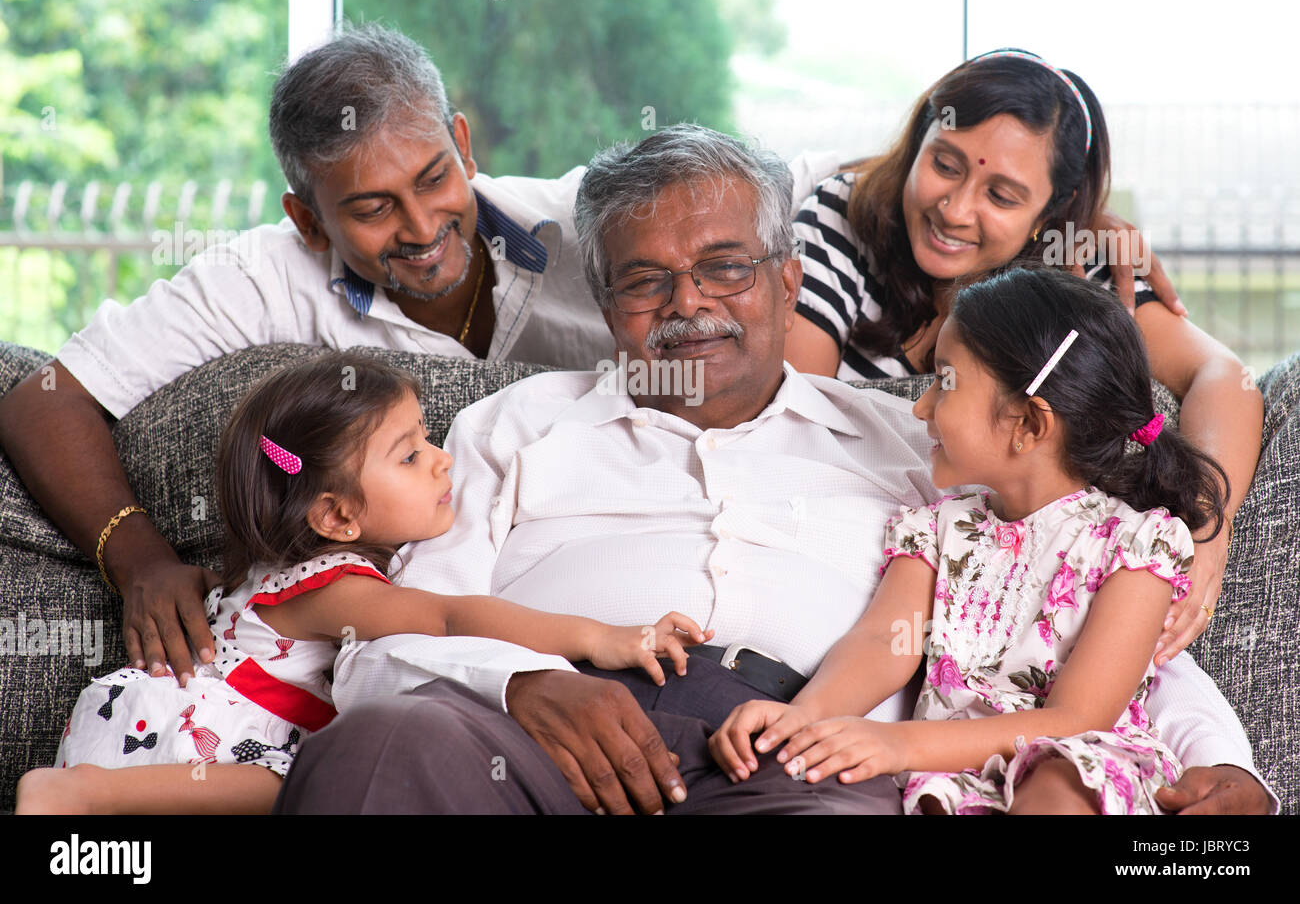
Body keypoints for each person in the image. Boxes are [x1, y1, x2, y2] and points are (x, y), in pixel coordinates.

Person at [272, 125, 1274, 815]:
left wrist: (1223, 766)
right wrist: (521, 682)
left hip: (797, 759)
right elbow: (373, 642)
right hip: (529, 740)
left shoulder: (913, 446)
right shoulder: (510, 427)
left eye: (724, 267)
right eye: (644, 280)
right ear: (607, 301)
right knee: (378, 749)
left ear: (788, 280)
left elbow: (1080, 615)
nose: (688, 304)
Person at [0, 22, 837, 686]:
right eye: (372, 208)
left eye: (436, 178)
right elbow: (39, 392)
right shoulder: (258, 275)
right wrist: (138, 558)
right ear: (309, 219)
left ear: (464, 145)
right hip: (430, 614)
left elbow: (808, 182)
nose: (422, 226)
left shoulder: (593, 226)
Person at [14, 353, 709, 814]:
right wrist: (605, 635)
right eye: (410, 455)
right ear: (338, 515)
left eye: (429, 439)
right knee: (291, 784)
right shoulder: (335, 587)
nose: (444, 464)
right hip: (187, 747)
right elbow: (448, 620)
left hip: (150, 727)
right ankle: (84, 795)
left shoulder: (274, 568)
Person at [786, 49, 1263, 670]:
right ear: (918, 139)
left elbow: (1225, 376)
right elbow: (794, 410)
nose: (955, 210)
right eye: (944, 164)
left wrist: (1207, 532)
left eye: (1003, 196)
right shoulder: (840, 218)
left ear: (1055, 207)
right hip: (858, 563)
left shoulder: (1078, 266)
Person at [710, 267, 1229, 814]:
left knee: (1056, 784)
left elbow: (1076, 722)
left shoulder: (1139, 545)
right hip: (954, 774)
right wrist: (804, 715)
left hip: (1078, 769)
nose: (920, 406)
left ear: (1028, 423)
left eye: (945, 382)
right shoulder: (937, 529)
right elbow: (881, 647)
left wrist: (898, 744)